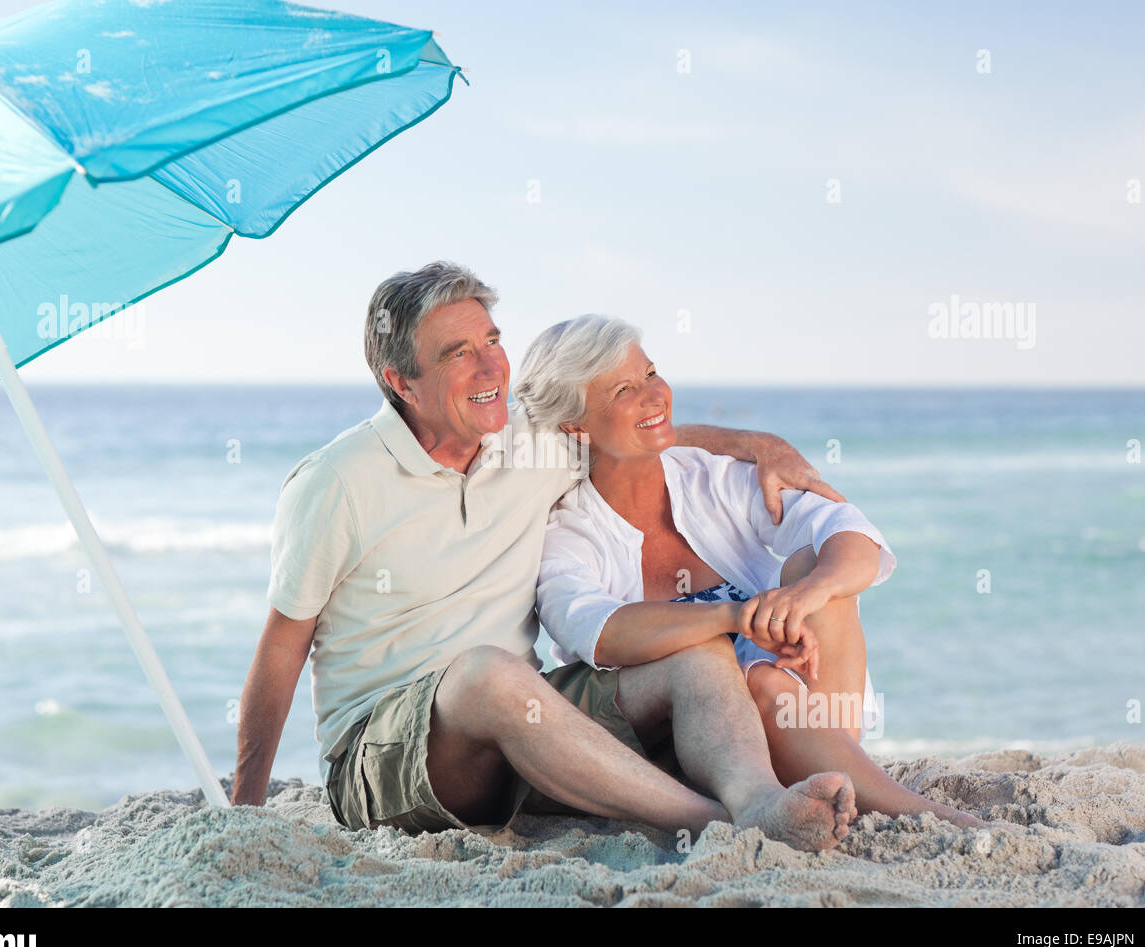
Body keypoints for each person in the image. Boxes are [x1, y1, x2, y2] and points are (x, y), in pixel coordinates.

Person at [231, 261, 862, 852]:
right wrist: (247, 814)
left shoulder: (525, 439)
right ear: (401, 382)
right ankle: (715, 823)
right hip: (385, 757)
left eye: (492, 340)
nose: (490, 369)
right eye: (458, 354)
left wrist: (757, 444)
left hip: (528, 727)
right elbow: (282, 645)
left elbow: (626, 428)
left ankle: (758, 801)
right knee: (488, 674)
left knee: (694, 649)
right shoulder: (336, 482)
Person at [513, 313, 990, 830]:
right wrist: (736, 616)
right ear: (575, 427)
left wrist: (808, 593)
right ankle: (924, 813)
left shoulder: (710, 477)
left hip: (805, 714)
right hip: (694, 751)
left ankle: (837, 776)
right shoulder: (570, 531)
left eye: (651, 374)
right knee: (760, 683)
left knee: (813, 569)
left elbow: (850, 533)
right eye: (623, 389)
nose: (654, 396)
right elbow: (598, 632)